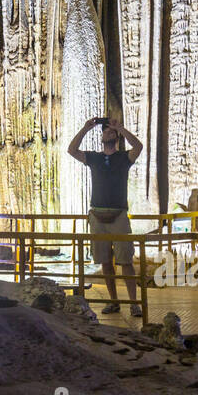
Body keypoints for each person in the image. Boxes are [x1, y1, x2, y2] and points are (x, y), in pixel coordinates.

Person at [67, 116, 144, 316]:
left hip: (119, 214)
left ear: (117, 137)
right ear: (101, 137)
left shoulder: (124, 158)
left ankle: (134, 303)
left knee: (126, 261)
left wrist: (121, 127)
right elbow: (72, 150)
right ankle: (114, 301)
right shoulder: (94, 158)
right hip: (97, 214)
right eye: (105, 131)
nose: (107, 133)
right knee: (105, 262)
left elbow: (139, 146)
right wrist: (85, 129)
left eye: (111, 131)